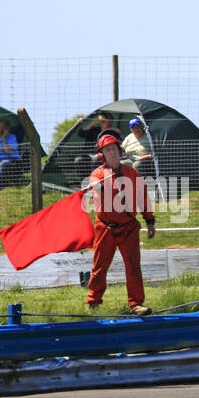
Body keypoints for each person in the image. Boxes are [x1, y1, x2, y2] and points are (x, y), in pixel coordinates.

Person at [86, 131, 155, 316]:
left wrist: (149, 220)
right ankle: (93, 302)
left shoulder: (132, 173)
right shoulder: (97, 175)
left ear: (120, 151)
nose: (112, 152)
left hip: (129, 228)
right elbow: (97, 191)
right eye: (108, 150)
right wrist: (99, 187)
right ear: (102, 154)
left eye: (114, 149)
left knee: (133, 267)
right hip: (105, 228)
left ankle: (136, 304)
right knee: (99, 268)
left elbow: (142, 197)